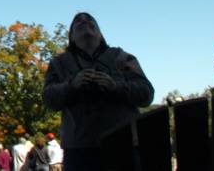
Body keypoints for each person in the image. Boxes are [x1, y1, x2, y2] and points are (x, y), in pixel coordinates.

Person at [43, 13, 154, 171]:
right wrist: (71, 86)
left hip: (123, 146)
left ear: (100, 35)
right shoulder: (59, 63)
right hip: (79, 151)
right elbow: (48, 99)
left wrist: (115, 86)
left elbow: (146, 94)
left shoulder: (121, 58)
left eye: (90, 20)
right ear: (71, 37)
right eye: (78, 22)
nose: (84, 21)